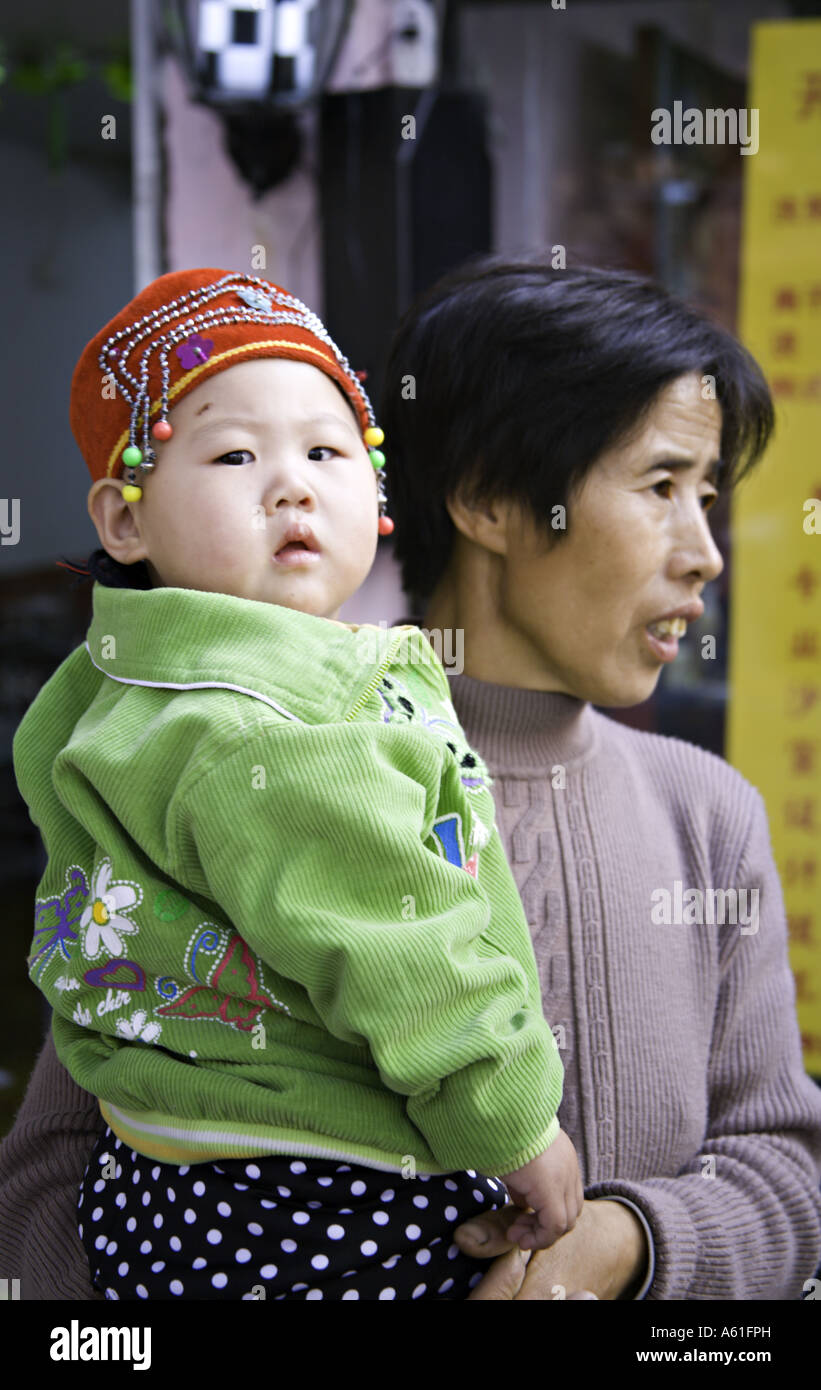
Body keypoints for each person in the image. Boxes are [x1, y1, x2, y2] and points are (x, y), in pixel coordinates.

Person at [3, 257, 821, 1301]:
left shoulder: (705, 813)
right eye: (660, 485)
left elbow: (787, 1176)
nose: (703, 552)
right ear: (484, 496)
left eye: (707, 498)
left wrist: (617, 1247)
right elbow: (56, 1163)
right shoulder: (225, 746)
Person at [7, 267, 585, 1302]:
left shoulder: (110, 688)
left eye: (326, 451)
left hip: (152, 1178)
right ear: (125, 520)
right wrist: (513, 1124)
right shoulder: (278, 719)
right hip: (316, 1192)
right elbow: (399, 952)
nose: (292, 485)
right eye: (235, 454)